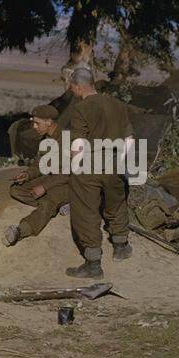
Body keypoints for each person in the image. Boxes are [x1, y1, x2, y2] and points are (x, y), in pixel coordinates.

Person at [65, 67, 133, 278]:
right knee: (116, 202)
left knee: (86, 211)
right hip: (115, 163)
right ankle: (121, 247)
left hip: (89, 166)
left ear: (77, 87)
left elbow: (77, 143)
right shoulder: (117, 104)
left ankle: (93, 263)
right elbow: (129, 140)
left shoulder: (81, 108)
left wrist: (75, 166)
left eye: (72, 88)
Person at [4, 105, 70, 246]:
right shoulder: (45, 140)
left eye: (37, 123)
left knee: (48, 201)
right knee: (15, 189)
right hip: (54, 178)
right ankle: (60, 205)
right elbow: (40, 165)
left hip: (70, 182)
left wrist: (44, 187)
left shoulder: (67, 140)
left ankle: (20, 231)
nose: (34, 126)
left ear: (49, 122)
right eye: (33, 122)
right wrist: (27, 175)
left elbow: (69, 173)